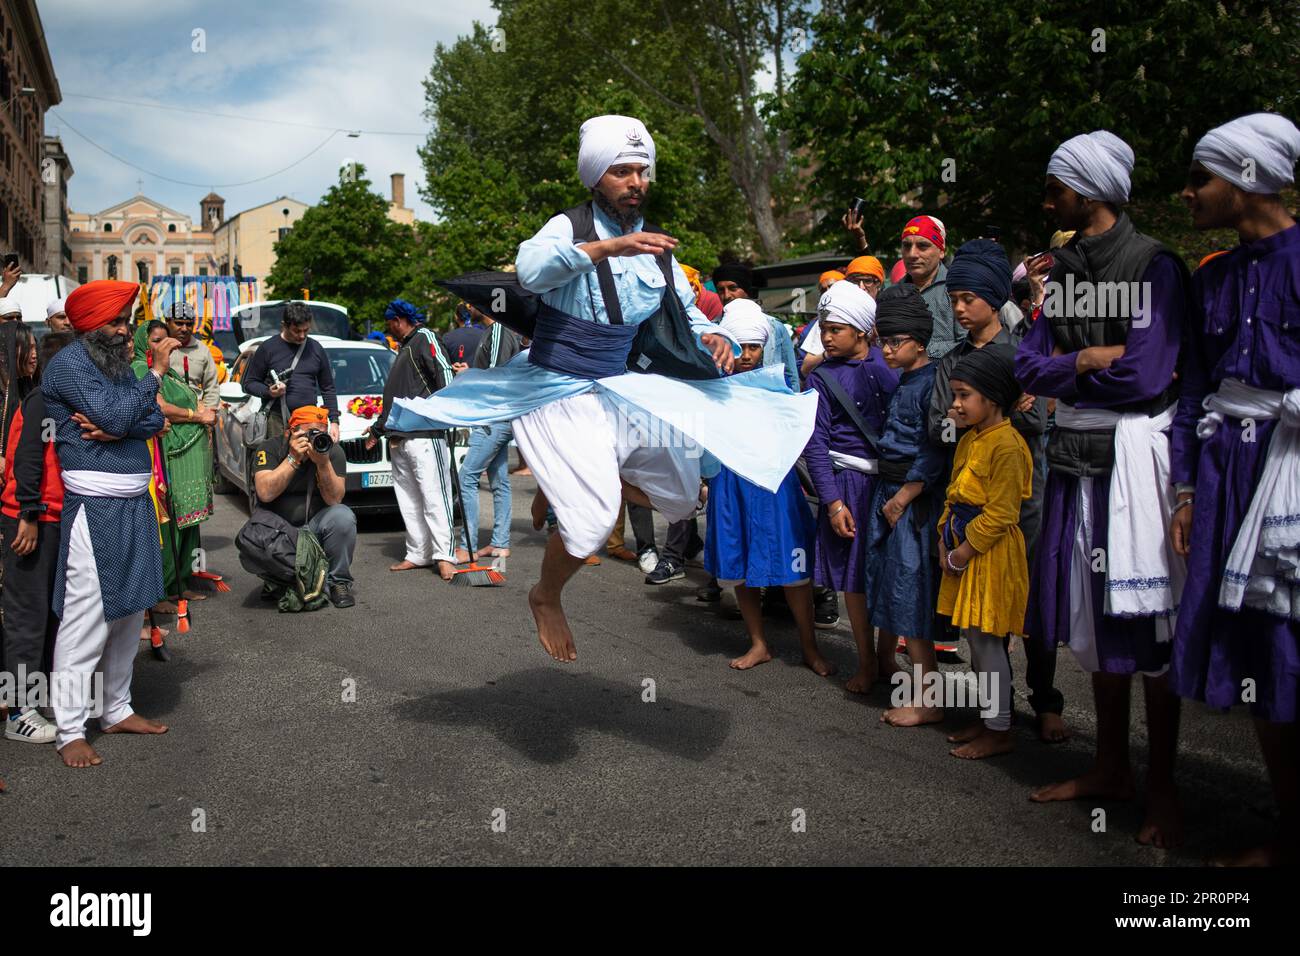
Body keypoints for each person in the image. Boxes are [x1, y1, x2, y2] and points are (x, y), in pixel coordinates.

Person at [386, 114, 813, 663]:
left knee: (684, 497)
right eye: (622, 171)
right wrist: (607, 250)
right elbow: (531, 270)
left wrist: (716, 337)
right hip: (557, 385)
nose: (636, 181)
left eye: (642, 170)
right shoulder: (569, 225)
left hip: (617, 383)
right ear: (595, 177)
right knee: (588, 527)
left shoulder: (659, 249)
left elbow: (681, 311)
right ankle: (546, 595)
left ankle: (562, 484)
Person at [1015, 130, 1190, 847]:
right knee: (1094, 619)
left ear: (1088, 193)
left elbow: (1149, 376)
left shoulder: (1155, 266)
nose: (1048, 199)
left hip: (1135, 460)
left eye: (1056, 188)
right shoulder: (1058, 267)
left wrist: (1071, 363)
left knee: (1149, 623)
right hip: (1077, 458)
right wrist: (1090, 353)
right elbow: (1027, 366)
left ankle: (1164, 790)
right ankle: (1110, 768)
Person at [1169, 112, 1300, 866]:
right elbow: (1194, 394)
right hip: (1230, 478)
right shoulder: (1212, 278)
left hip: (1293, 470)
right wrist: (1187, 490)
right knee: (1259, 649)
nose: (1187, 194)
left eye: (1199, 179)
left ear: (1246, 179)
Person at [929, 239, 1063, 741]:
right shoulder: (953, 359)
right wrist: (970, 417)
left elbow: (1040, 421)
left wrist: (1009, 413)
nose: (960, 308)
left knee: (1030, 602)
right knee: (983, 618)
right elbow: (937, 425)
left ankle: (1046, 701)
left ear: (992, 297)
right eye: (954, 299)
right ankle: (996, 714)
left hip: (1021, 502)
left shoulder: (1029, 347)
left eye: (969, 298)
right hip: (967, 499)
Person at [42, 280, 177, 768]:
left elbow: (149, 423)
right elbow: (126, 416)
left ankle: (116, 709)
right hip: (94, 509)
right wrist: (154, 377)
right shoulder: (70, 365)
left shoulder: (112, 364)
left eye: (127, 320)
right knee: (87, 621)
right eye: (118, 322)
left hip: (132, 502)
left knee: (127, 613)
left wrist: (124, 421)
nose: (127, 330)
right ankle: (70, 730)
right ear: (92, 325)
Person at [704, 305, 828, 673]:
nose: (746, 355)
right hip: (730, 484)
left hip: (774, 485)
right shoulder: (711, 389)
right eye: (738, 346)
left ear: (764, 348)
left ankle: (810, 647)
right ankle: (759, 643)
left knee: (794, 570)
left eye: (754, 347)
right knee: (739, 565)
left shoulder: (779, 388)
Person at [937, 344, 1033, 759]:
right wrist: (945, 541)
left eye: (963, 396)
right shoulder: (970, 439)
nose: (955, 404)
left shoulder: (1008, 445)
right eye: (955, 394)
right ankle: (991, 717)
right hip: (962, 553)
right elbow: (953, 495)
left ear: (992, 398)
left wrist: (961, 552)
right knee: (975, 641)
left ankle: (1000, 729)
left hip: (987, 556)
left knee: (990, 642)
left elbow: (1002, 513)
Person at [803, 280, 898, 691]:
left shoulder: (891, 366)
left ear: (862, 330)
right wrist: (832, 502)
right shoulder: (821, 378)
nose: (825, 336)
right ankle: (866, 659)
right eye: (823, 328)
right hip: (850, 485)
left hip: (893, 485)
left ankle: (887, 656)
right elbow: (817, 444)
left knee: (893, 574)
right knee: (856, 582)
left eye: (835, 329)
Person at [863, 285, 946, 713]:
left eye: (896, 343)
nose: (888, 350)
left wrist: (905, 497)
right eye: (884, 341)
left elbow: (936, 448)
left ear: (919, 342)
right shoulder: (906, 380)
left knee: (911, 593)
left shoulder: (934, 384)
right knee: (890, 585)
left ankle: (929, 696)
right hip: (891, 492)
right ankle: (888, 666)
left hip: (912, 502)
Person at [365, 298, 457, 580]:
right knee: (409, 500)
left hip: (425, 434)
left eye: (389, 323)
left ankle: (444, 556)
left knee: (434, 496)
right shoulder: (404, 348)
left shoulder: (425, 337)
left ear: (398, 320)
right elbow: (395, 399)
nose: (388, 328)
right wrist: (377, 430)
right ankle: (418, 553)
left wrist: (451, 409)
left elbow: (444, 374)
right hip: (399, 437)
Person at [131, 320, 216, 607]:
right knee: (169, 526)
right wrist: (196, 415)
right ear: (144, 342)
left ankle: (181, 582)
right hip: (166, 457)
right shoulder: (142, 370)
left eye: (166, 340)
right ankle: (162, 590)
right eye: (156, 340)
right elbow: (160, 407)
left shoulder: (169, 372)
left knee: (188, 524)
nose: (164, 346)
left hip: (186, 460)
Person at [2, 322, 57, 744]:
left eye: (37, 348)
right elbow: (28, 461)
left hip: (45, 517)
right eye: (26, 348)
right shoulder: (38, 401)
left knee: (44, 616)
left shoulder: (40, 396)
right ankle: (18, 711)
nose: (33, 355)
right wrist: (28, 513)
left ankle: (33, 700)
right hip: (28, 518)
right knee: (26, 617)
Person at [253, 406, 357, 608]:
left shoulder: (332, 451)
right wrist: (293, 459)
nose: (314, 438)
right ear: (290, 432)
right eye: (308, 433)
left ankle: (338, 583)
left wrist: (323, 463)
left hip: (315, 531)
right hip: (279, 532)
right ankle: (277, 580)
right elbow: (265, 493)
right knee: (255, 528)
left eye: (319, 432)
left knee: (343, 516)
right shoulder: (270, 448)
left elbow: (335, 499)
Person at [456, 314, 525, 567]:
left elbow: (495, 377)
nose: (469, 307)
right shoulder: (499, 331)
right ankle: (500, 543)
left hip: (493, 416)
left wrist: (471, 377)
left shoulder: (497, 330)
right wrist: (471, 372)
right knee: (499, 480)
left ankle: (468, 547)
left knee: (467, 476)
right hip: (501, 416)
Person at [241, 301, 340, 439]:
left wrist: (334, 421)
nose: (301, 336)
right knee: (278, 460)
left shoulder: (316, 349)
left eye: (306, 330)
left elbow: (328, 388)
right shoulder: (268, 348)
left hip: (308, 419)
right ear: (284, 325)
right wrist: (269, 392)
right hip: (276, 421)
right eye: (297, 331)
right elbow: (249, 383)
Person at [713, 261, 799, 391]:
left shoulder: (774, 326)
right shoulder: (713, 329)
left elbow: (790, 375)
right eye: (721, 290)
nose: (727, 295)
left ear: (746, 290)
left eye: (733, 288)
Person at [800, 255, 887, 377]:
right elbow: (805, 368)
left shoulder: (890, 312)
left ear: (878, 284)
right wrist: (830, 352)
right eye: (855, 281)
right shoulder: (833, 314)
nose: (861, 286)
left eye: (867, 281)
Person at [898, 215, 961, 358]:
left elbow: (970, 343)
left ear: (941, 251)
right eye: (906, 246)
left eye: (922, 246)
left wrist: (918, 350)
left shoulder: (957, 289)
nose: (912, 254)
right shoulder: (893, 293)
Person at [165, 301, 219, 411]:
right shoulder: (157, 347)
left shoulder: (202, 350)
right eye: (179, 323)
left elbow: (212, 388)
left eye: (189, 324)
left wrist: (208, 413)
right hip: (163, 417)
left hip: (195, 417)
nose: (184, 329)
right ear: (167, 322)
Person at [443, 303, 487, 369]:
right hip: (480, 377)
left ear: (456, 317)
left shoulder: (447, 337)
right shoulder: (485, 335)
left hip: (457, 377)